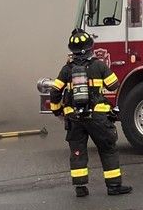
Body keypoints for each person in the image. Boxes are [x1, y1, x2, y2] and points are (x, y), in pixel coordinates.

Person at [49, 30, 132, 198]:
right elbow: (114, 85)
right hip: (98, 118)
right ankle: (114, 186)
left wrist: (57, 110)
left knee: (78, 151)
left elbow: (55, 90)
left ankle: (80, 187)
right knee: (108, 150)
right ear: (90, 47)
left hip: (74, 118)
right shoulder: (98, 65)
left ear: (72, 49)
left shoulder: (67, 69)